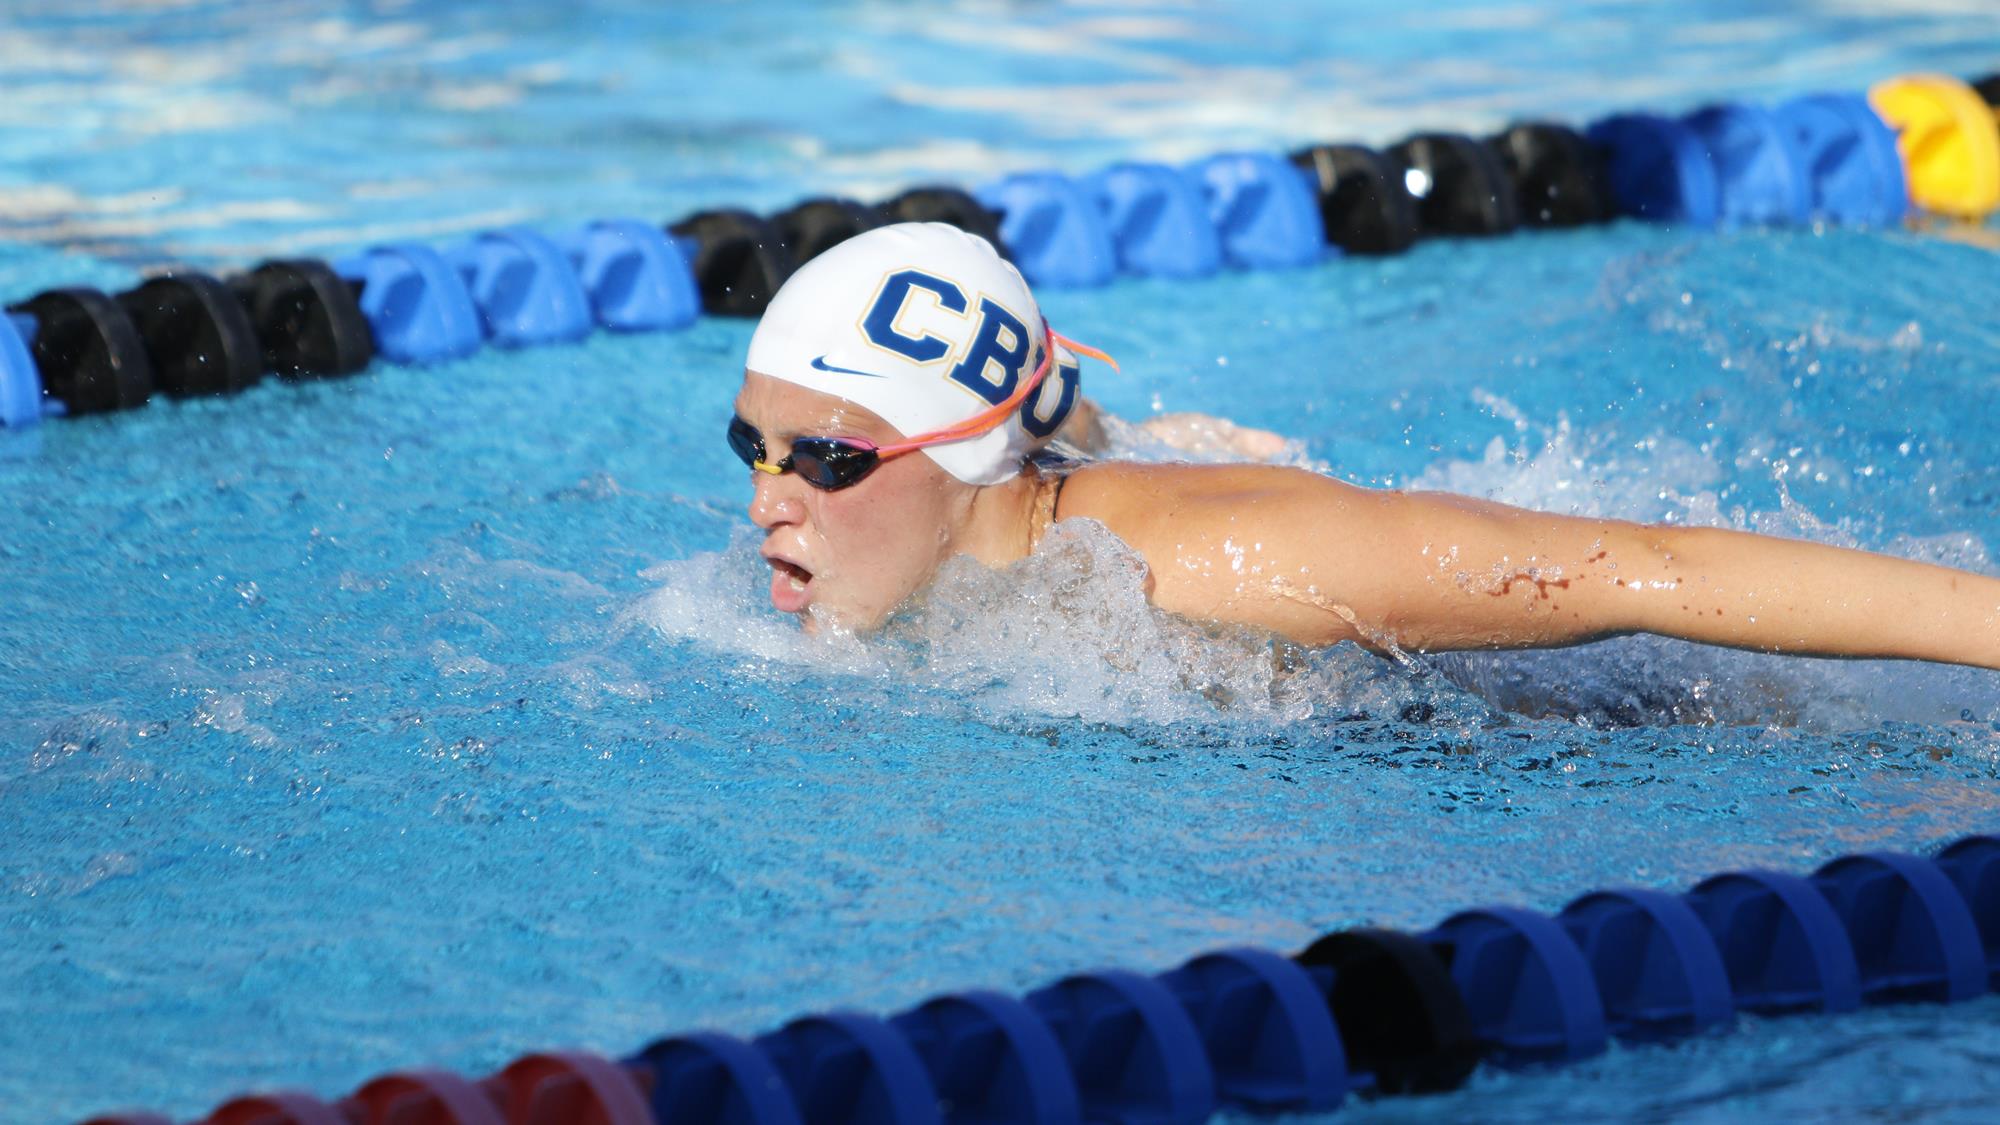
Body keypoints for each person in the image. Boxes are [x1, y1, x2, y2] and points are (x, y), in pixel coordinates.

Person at [729, 222, 2000, 670]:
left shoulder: (1218, 569)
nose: (766, 503)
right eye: (752, 448)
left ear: (962, 453)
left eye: (825, 460)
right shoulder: (959, 518)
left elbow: (1641, 568)